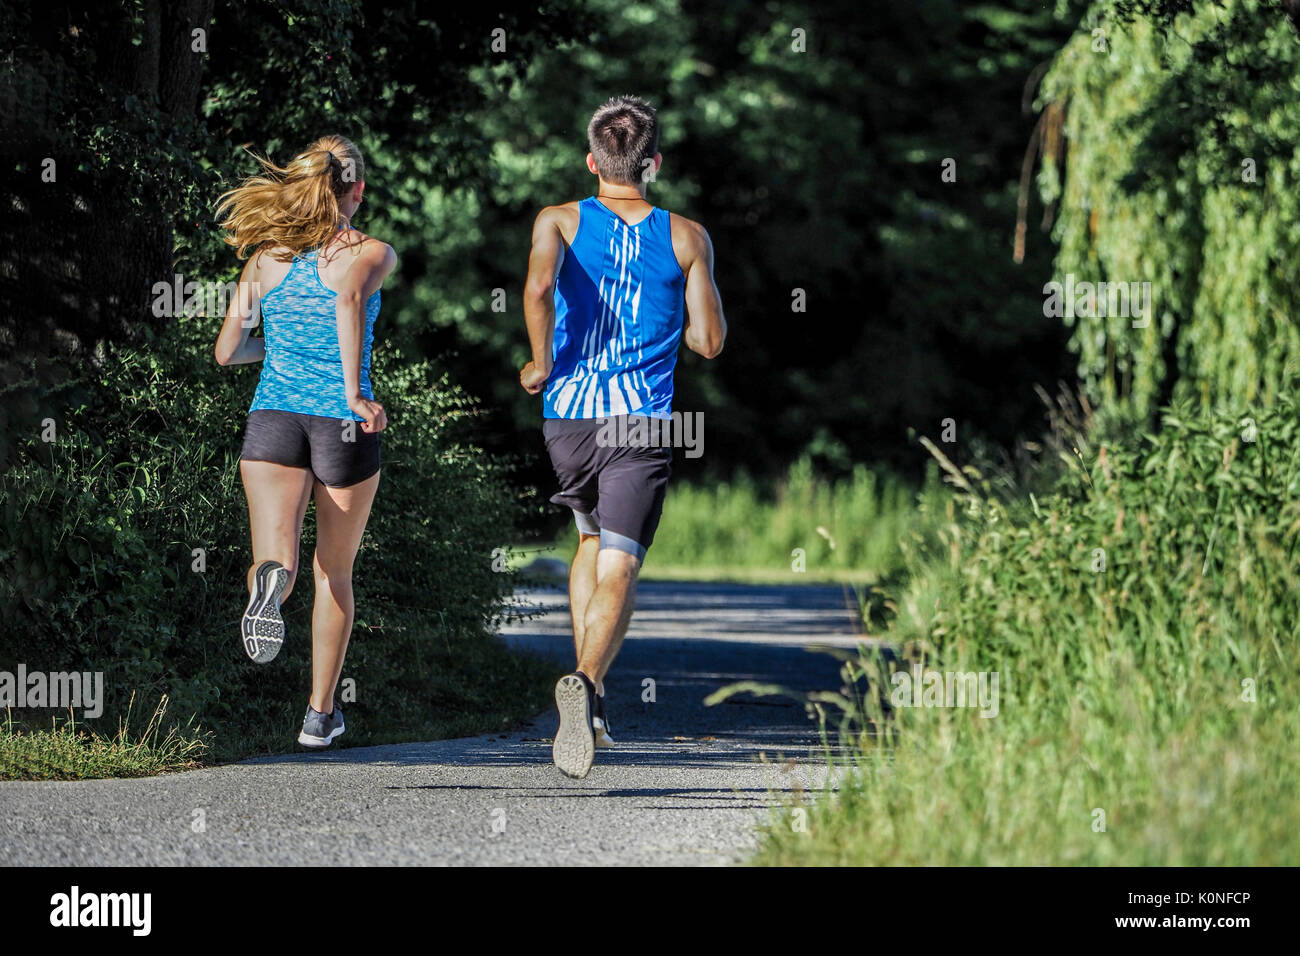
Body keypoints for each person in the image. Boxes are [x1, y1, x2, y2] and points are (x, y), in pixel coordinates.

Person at [520, 96, 728, 778]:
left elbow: (540, 286)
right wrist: (683, 322)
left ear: (592, 162)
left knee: (588, 538)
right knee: (622, 561)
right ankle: (584, 680)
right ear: (654, 164)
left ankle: (594, 701)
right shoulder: (688, 237)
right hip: (639, 419)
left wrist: (540, 358)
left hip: (568, 415)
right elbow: (708, 342)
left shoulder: (557, 219)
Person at [212, 134, 397, 748]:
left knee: (280, 559)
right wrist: (351, 392)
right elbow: (346, 299)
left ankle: (268, 584)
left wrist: (282, 351)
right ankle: (320, 713)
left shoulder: (267, 257)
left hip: (273, 419)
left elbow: (227, 350)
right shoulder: (371, 252)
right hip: (339, 424)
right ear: (358, 190)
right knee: (333, 571)